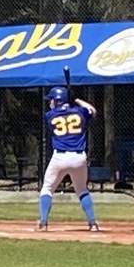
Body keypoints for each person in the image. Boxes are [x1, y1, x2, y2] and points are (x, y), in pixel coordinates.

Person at [37, 84, 102, 233]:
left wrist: (70, 103)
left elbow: (61, 113)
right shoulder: (80, 112)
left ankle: (43, 222)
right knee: (82, 190)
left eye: (52, 99)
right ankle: (92, 223)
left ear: (58, 101)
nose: (50, 102)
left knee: (47, 188)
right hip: (79, 157)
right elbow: (93, 111)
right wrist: (77, 100)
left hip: (59, 157)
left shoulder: (50, 115)